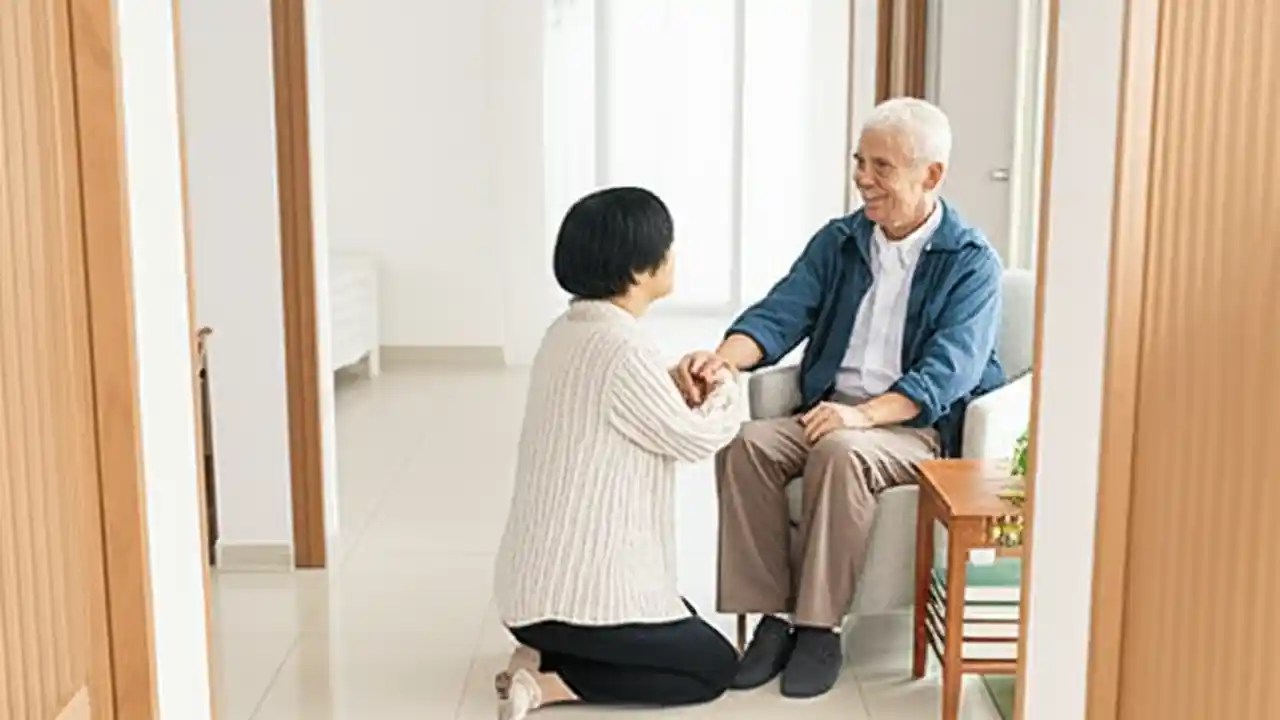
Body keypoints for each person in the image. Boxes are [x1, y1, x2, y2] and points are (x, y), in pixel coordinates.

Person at [673, 97, 1006, 699]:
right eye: (859, 161)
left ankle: (818, 627)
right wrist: (721, 360)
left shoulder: (971, 262)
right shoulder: (840, 241)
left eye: (882, 166)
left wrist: (862, 415)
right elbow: (780, 314)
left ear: (931, 175)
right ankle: (770, 621)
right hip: (833, 410)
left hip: (912, 425)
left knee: (843, 453)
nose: (862, 179)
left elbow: (947, 373)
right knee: (745, 445)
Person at [492, 187, 744, 719]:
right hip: (571, 599)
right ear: (638, 267)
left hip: (527, 593)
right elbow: (694, 438)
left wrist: (672, 381)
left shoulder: (569, 331)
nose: (674, 254)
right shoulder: (620, 349)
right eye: (668, 246)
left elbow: (625, 404)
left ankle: (540, 649)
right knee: (713, 665)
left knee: (679, 613)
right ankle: (548, 684)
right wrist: (726, 386)